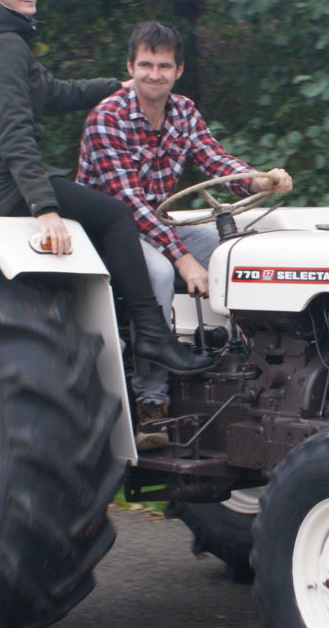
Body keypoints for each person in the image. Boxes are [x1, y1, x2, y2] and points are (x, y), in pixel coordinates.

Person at [0, 0, 211, 375]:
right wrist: (44, 208)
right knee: (115, 214)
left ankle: (137, 334)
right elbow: (13, 132)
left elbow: (51, 93)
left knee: (104, 214)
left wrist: (113, 86)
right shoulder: (1, 46)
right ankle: (152, 336)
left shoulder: (0, 39)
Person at [77, 21, 292, 419]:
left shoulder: (184, 111)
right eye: (145, 65)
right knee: (158, 273)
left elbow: (215, 161)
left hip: (157, 224)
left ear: (179, 70)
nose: (154, 75)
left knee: (236, 251)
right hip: (108, 233)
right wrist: (182, 258)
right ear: (130, 66)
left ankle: (253, 360)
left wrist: (258, 179)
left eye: (163, 66)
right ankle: (151, 397)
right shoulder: (107, 117)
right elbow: (130, 205)